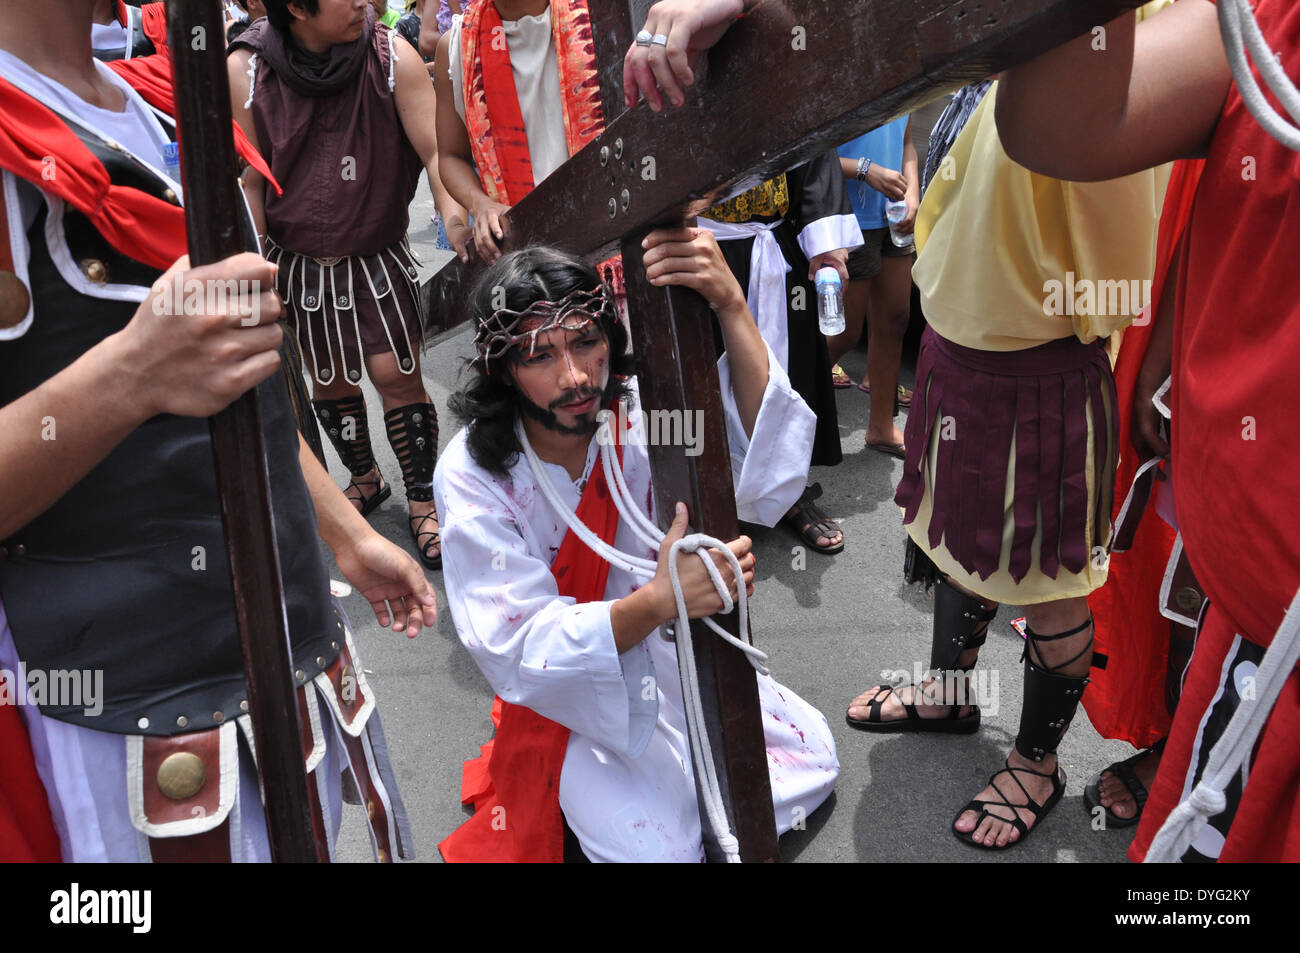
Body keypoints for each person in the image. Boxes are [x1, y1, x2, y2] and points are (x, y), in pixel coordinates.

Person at [0, 0, 436, 861]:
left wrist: (343, 532)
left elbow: (244, 384)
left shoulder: (162, 108)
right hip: (120, 701)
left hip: (284, 638)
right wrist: (129, 375)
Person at [994, 0, 1300, 863]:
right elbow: (1057, 120)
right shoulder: (1266, 25)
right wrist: (1166, 332)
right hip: (1258, 659)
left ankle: (1044, 750)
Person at [435, 230, 838, 862]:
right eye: (539, 355)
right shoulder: (474, 475)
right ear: (503, 370)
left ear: (610, 341)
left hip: (674, 650)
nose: (574, 377)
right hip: (574, 693)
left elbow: (764, 463)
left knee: (812, 760)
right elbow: (515, 645)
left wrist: (731, 305)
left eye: (586, 343)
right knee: (660, 851)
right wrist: (659, 600)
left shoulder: (633, 412)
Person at [229, 0, 464, 570]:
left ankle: (423, 500)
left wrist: (455, 212)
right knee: (328, 382)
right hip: (295, 261)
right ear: (296, 7)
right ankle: (365, 477)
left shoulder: (392, 57)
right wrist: (248, 263)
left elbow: (436, 151)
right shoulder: (246, 68)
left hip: (374, 252)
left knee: (396, 375)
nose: (368, 2)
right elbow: (248, 178)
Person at [699, 161, 859, 554]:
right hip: (702, 246)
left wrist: (826, 244)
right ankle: (705, 496)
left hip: (776, 246)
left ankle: (787, 492)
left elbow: (813, 143)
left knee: (787, 372)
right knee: (706, 377)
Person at [832, 115, 919, 458]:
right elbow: (811, 157)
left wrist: (913, 191)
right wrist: (865, 169)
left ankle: (881, 426)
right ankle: (781, 415)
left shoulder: (901, 76)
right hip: (850, 217)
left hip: (896, 216)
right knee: (844, 333)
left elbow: (907, 144)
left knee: (895, 318)